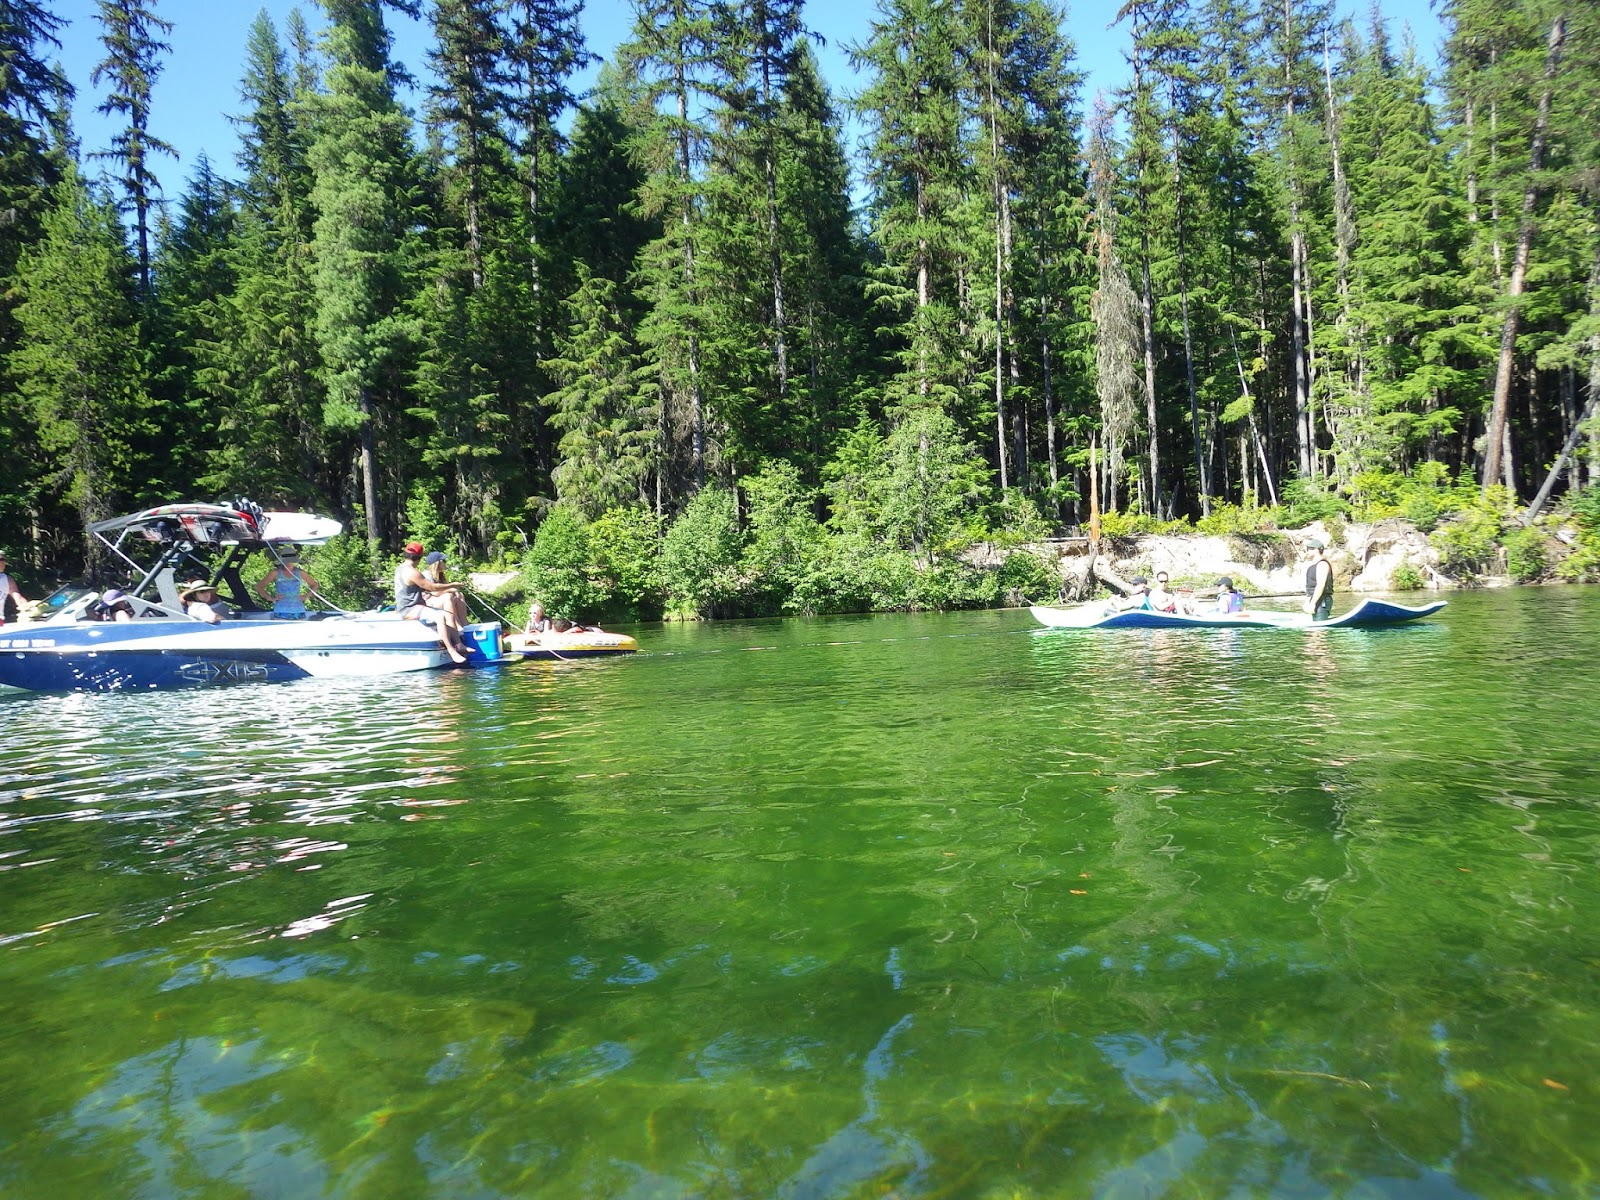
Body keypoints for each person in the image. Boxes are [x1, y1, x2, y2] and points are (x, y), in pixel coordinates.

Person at [394, 541, 468, 664]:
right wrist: (452, 585)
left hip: (414, 607)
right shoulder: (412, 572)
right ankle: (451, 651)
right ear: (419, 557)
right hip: (409, 609)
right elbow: (432, 588)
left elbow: (424, 588)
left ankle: (459, 645)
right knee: (440, 616)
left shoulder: (401, 568)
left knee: (448, 614)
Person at [254, 545, 320, 619]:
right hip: (281, 610)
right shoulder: (275, 573)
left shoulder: (300, 572)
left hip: (298, 610)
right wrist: (271, 598)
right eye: (286, 561)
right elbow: (258, 586)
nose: (288, 563)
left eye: (290, 560)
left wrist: (306, 596)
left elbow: (314, 584)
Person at [422, 550, 470, 626]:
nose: (445, 563)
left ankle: (464, 623)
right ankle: (456, 624)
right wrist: (451, 589)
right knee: (448, 596)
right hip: (428, 602)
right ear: (437, 563)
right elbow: (433, 593)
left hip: (438, 600)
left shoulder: (440, 575)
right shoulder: (427, 575)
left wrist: (455, 591)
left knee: (459, 596)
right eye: (444, 561)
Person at [1304, 537, 1334, 621]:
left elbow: (1320, 585)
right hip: (1315, 599)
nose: (1307, 551)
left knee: (1319, 627)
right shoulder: (1313, 566)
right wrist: (1308, 601)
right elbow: (1311, 586)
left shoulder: (1322, 564)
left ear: (1317, 550)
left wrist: (1312, 603)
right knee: (1315, 625)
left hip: (1322, 601)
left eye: (1309, 549)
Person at [0, 550, 27, 624]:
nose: (4, 562)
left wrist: (29, 609)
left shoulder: (7, 580)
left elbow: (19, 598)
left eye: (4, 559)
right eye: (1, 559)